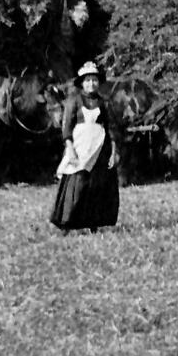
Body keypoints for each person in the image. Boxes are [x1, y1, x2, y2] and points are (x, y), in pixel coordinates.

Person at [50, 60, 122, 233]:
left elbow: (111, 127)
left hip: (99, 148)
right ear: (82, 82)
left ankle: (93, 224)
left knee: (96, 186)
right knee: (77, 183)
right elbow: (66, 127)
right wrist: (70, 148)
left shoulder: (104, 103)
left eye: (95, 80)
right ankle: (66, 223)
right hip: (80, 147)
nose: (91, 83)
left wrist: (114, 151)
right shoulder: (74, 101)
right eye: (88, 80)